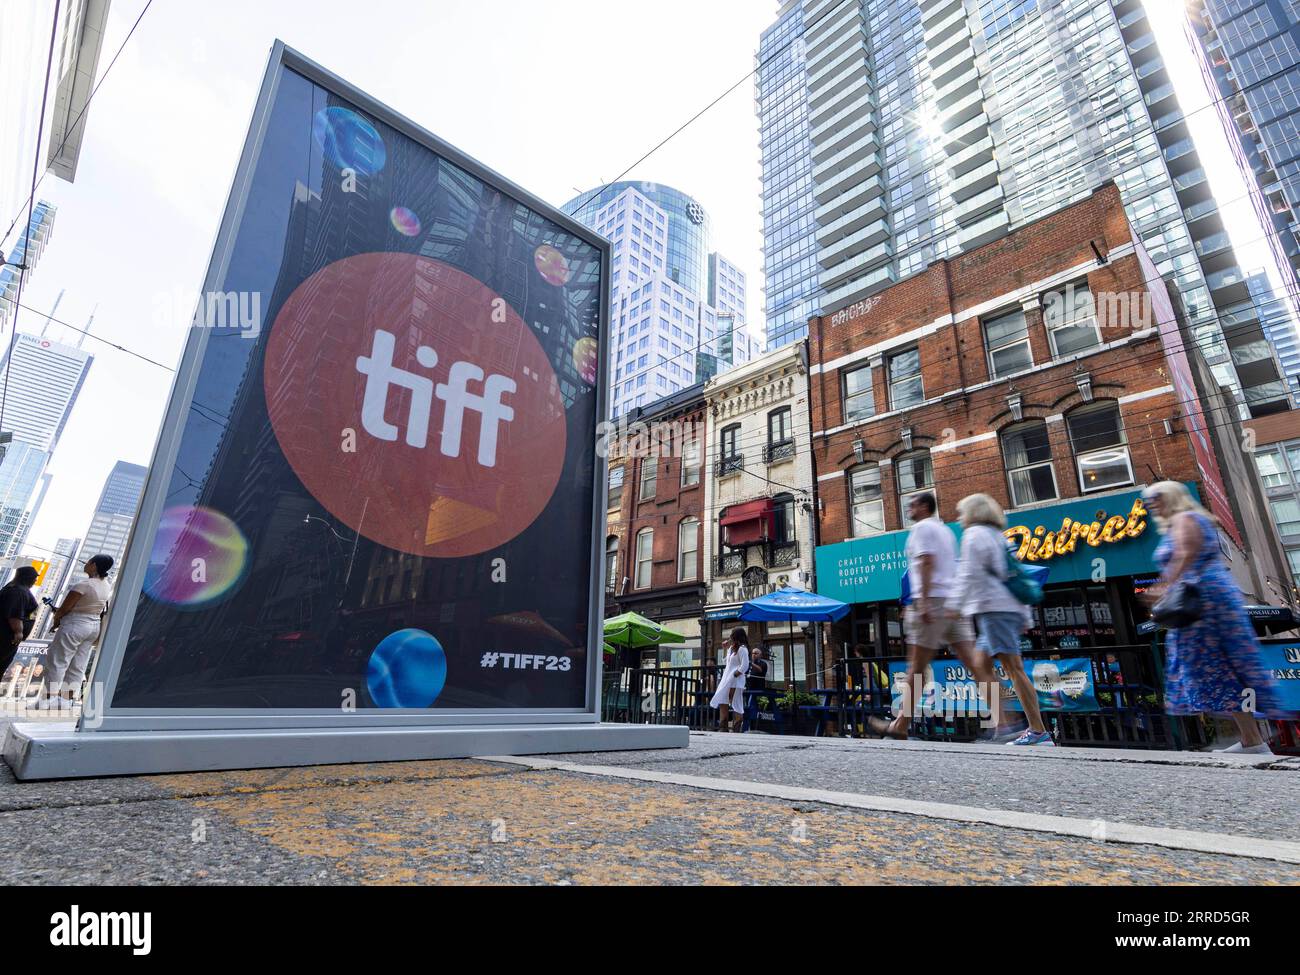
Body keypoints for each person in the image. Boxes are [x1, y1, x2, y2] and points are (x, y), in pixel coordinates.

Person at [1142, 481, 1297, 754]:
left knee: (1212, 667)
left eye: (1155, 498)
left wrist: (1163, 587)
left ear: (1171, 498)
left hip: (1203, 602)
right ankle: (1252, 739)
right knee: (1223, 667)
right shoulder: (1189, 519)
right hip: (1206, 599)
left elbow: (1185, 553)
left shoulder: (1184, 518)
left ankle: (1254, 738)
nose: (1151, 504)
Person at [869, 492, 993, 739]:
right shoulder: (945, 531)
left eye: (913, 504)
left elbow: (926, 562)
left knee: (916, 667)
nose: (908, 508)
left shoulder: (922, 529)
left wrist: (922, 601)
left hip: (933, 602)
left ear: (925, 506)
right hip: (952, 603)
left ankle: (900, 725)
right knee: (974, 663)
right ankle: (1006, 720)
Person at [951, 494, 1051, 746]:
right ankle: (1004, 722)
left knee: (1013, 669)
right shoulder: (998, 536)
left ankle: (1036, 731)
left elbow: (968, 575)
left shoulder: (974, 535)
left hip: (995, 610)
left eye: (962, 512)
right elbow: (1017, 576)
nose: (959, 518)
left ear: (973, 513)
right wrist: (1024, 614)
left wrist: (953, 607)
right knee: (980, 665)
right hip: (1002, 610)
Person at [40, 554, 114, 709]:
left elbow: (64, 609)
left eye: (88, 562)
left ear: (93, 565)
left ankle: (47, 700)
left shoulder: (84, 585)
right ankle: (65, 701)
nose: (85, 564)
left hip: (75, 624)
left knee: (58, 661)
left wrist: (56, 622)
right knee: (78, 664)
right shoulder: (107, 585)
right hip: (93, 627)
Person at [0, 566, 39, 684]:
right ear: (26, 577)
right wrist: (18, 632)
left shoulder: (15, 588)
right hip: (6, 637)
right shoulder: (18, 591)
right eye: (33, 578)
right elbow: (14, 615)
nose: (35, 581)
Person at [710, 627, 750, 732]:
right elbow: (727, 663)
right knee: (723, 700)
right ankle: (723, 727)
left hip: (736, 680)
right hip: (726, 679)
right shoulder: (731, 648)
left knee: (735, 701)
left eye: (732, 634)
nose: (730, 636)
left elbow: (745, 665)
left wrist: (736, 673)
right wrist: (725, 649)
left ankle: (737, 727)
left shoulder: (742, 649)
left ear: (736, 636)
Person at [742, 645, 768, 732]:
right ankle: (748, 726)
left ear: (760, 655)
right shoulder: (749, 664)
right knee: (747, 707)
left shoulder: (763, 663)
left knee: (755, 708)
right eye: (752, 653)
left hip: (758, 690)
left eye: (756, 653)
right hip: (748, 689)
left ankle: (755, 726)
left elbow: (760, 670)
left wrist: (751, 664)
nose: (753, 655)